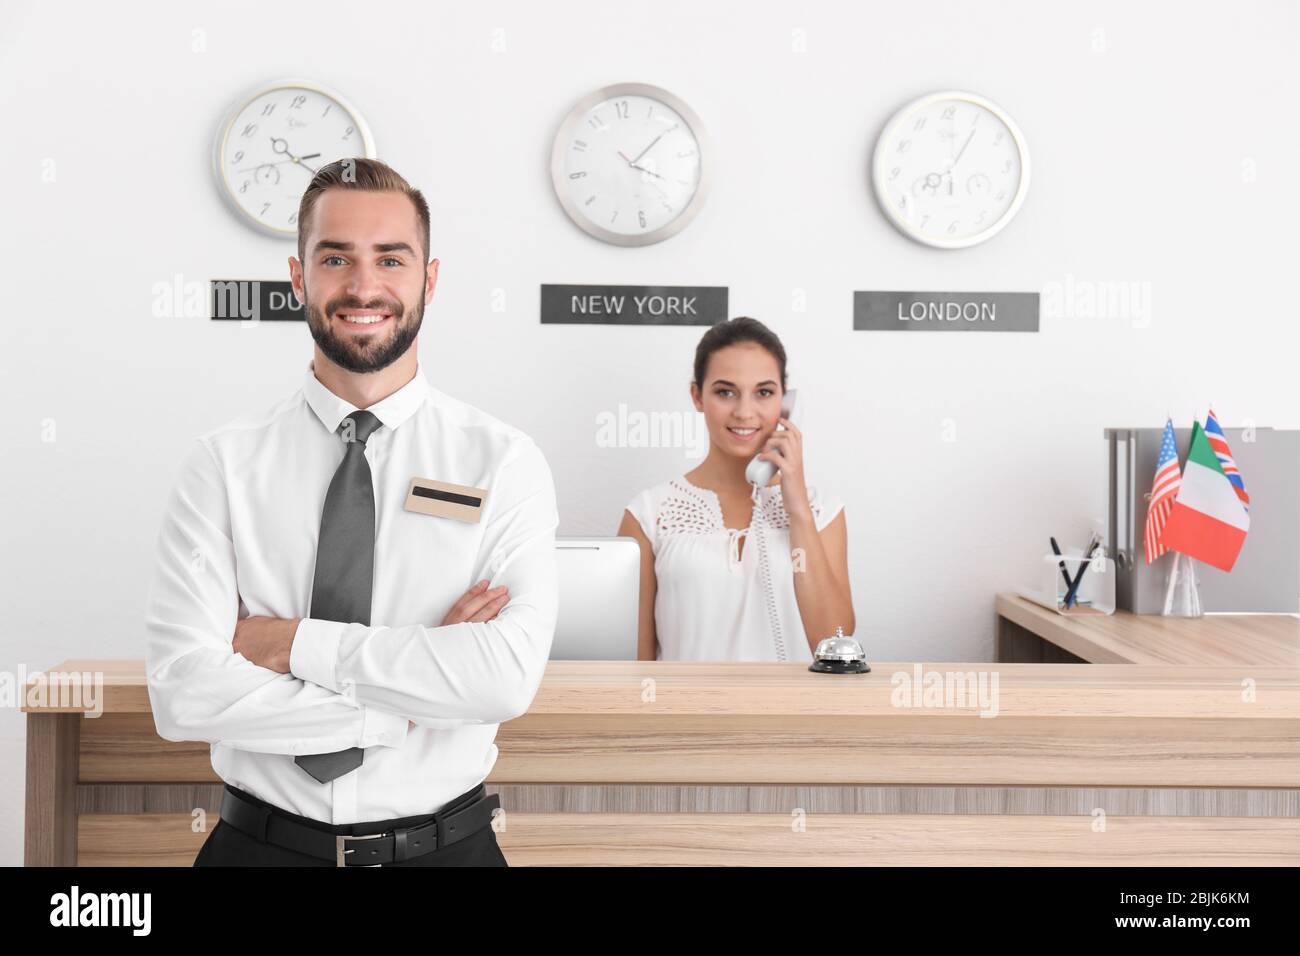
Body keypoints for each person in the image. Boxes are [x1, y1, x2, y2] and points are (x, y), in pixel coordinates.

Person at [145, 158, 558, 866]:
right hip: (257, 849)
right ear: (299, 276)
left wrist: (288, 642)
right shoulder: (222, 464)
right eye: (335, 258)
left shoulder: (503, 462)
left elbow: (500, 678)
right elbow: (184, 691)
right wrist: (406, 703)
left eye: (390, 259)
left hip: (445, 851)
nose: (364, 287)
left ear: (429, 280)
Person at [618, 317, 855, 661]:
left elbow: (834, 642)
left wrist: (798, 508)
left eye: (764, 392)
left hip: (792, 714)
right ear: (697, 396)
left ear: (785, 402)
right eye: (725, 392)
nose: (745, 412)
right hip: (684, 714)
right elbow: (633, 666)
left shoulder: (822, 512)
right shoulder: (648, 514)